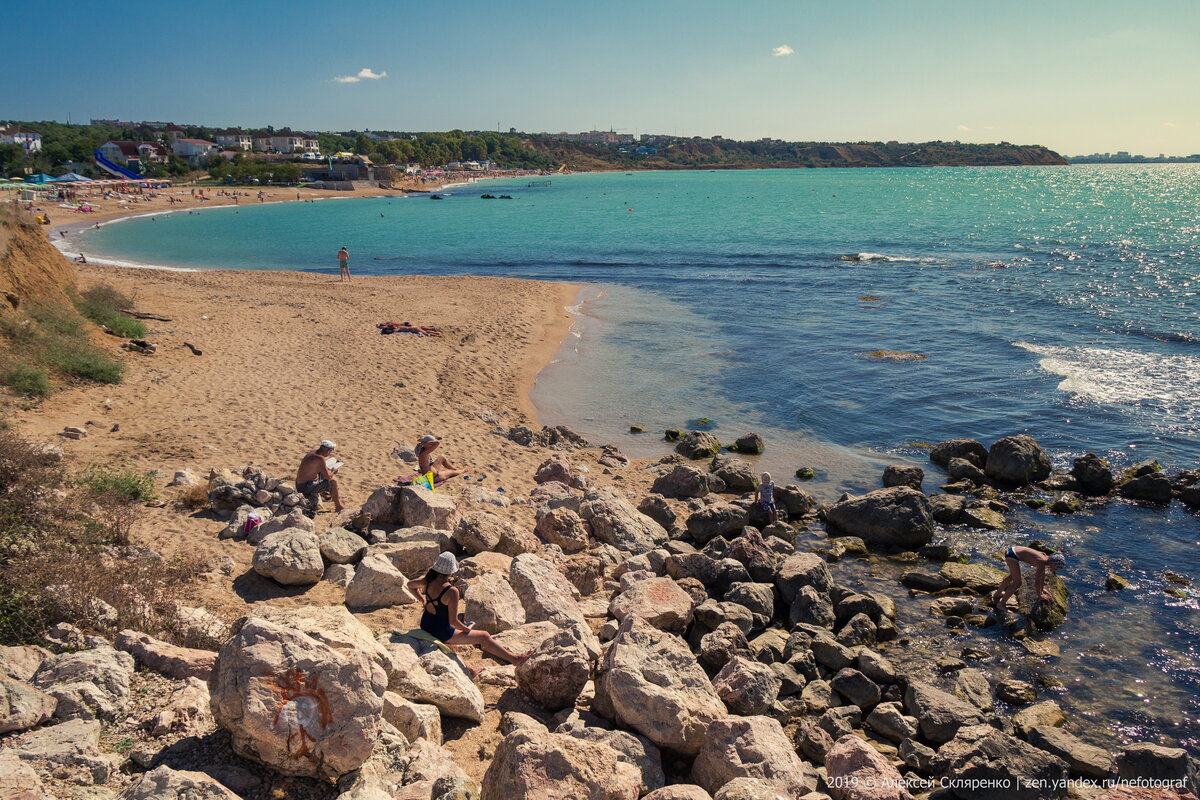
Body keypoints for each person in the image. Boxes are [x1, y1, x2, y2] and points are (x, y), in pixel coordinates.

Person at [408, 552, 528, 675]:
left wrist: (423, 600)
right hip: (440, 631)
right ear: (451, 571)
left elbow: (410, 585)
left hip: (426, 624)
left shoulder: (427, 580)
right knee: (484, 636)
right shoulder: (451, 591)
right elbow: (453, 621)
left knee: (454, 646)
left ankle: (470, 670)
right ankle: (515, 659)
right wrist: (466, 628)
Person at [992, 545, 1066, 611]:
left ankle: (997, 594)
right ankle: (1001, 604)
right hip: (1012, 555)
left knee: (1012, 576)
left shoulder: (1045, 557)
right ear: (1053, 563)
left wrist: (1042, 588)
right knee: (1017, 583)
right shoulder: (1042, 563)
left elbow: (1042, 576)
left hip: (1013, 550)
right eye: (1056, 567)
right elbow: (1037, 581)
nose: (1056, 569)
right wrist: (1039, 595)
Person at [295, 439, 344, 513]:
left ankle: (330, 496)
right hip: (305, 487)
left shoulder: (312, 453)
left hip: (300, 484)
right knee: (333, 481)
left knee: (323, 475)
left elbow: (318, 468)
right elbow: (328, 476)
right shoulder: (320, 458)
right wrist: (333, 471)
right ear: (328, 451)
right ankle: (338, 507)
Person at [376, 321, 443, 336]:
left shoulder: (396, 327)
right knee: (424, 330)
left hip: (413, 328)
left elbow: (394, 330)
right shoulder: (396, 326)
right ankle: (436, 331)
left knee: (425, 331)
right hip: (413, 328)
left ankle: (437, 333)